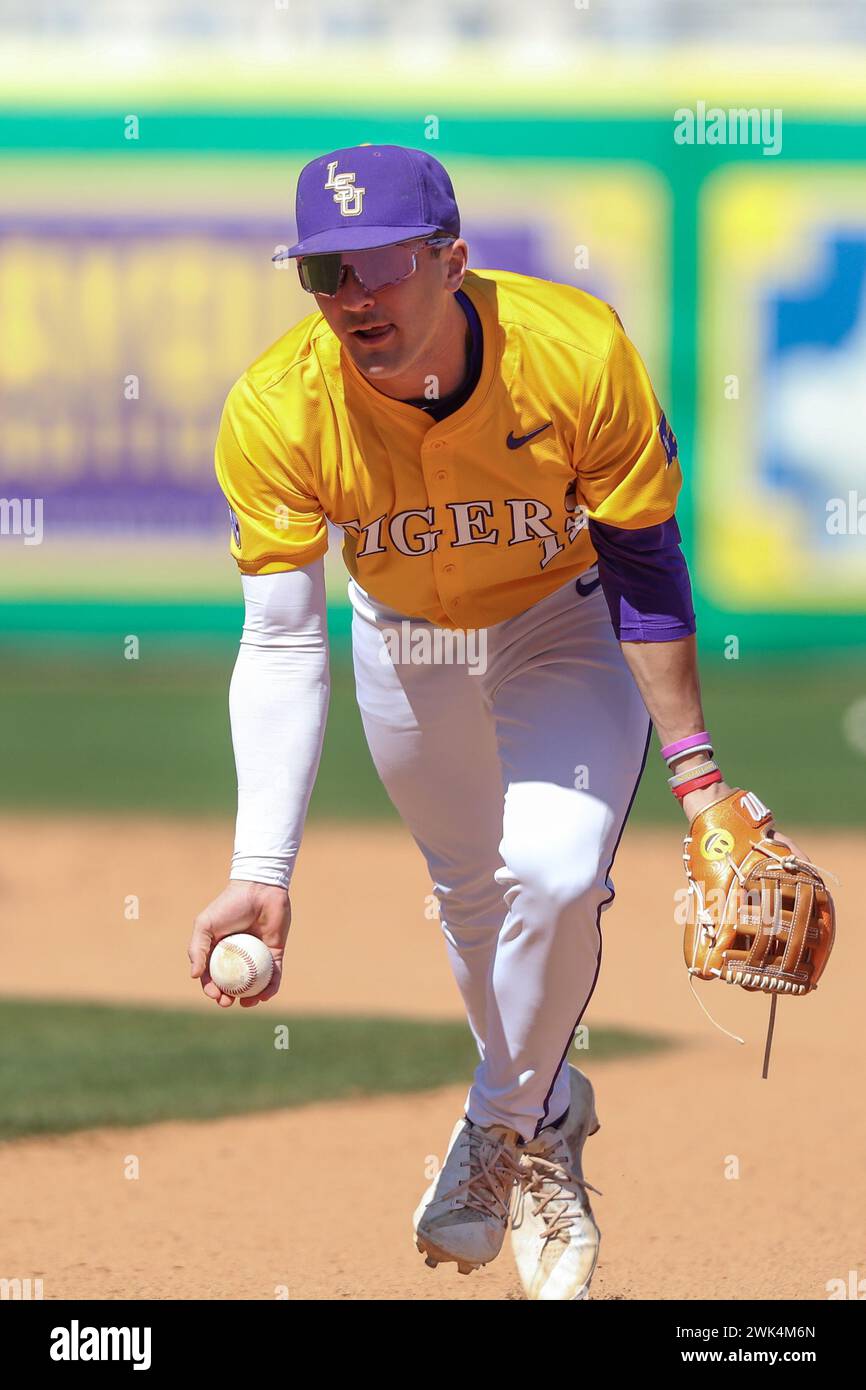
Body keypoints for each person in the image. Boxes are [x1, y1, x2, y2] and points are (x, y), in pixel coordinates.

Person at [188, 143, 726, 1301]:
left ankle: (498, 1129)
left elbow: (644, 564)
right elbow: (282, 640)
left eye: (374, 267)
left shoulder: (571, 354)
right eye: (320, 274)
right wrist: (260, 867)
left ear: (449, 259)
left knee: (554, 871)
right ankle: (548, 1109)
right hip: (404, 639)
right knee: (474, 898)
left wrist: (697, 776)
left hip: (559, 620)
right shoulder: (280, 408)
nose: (349, 300)